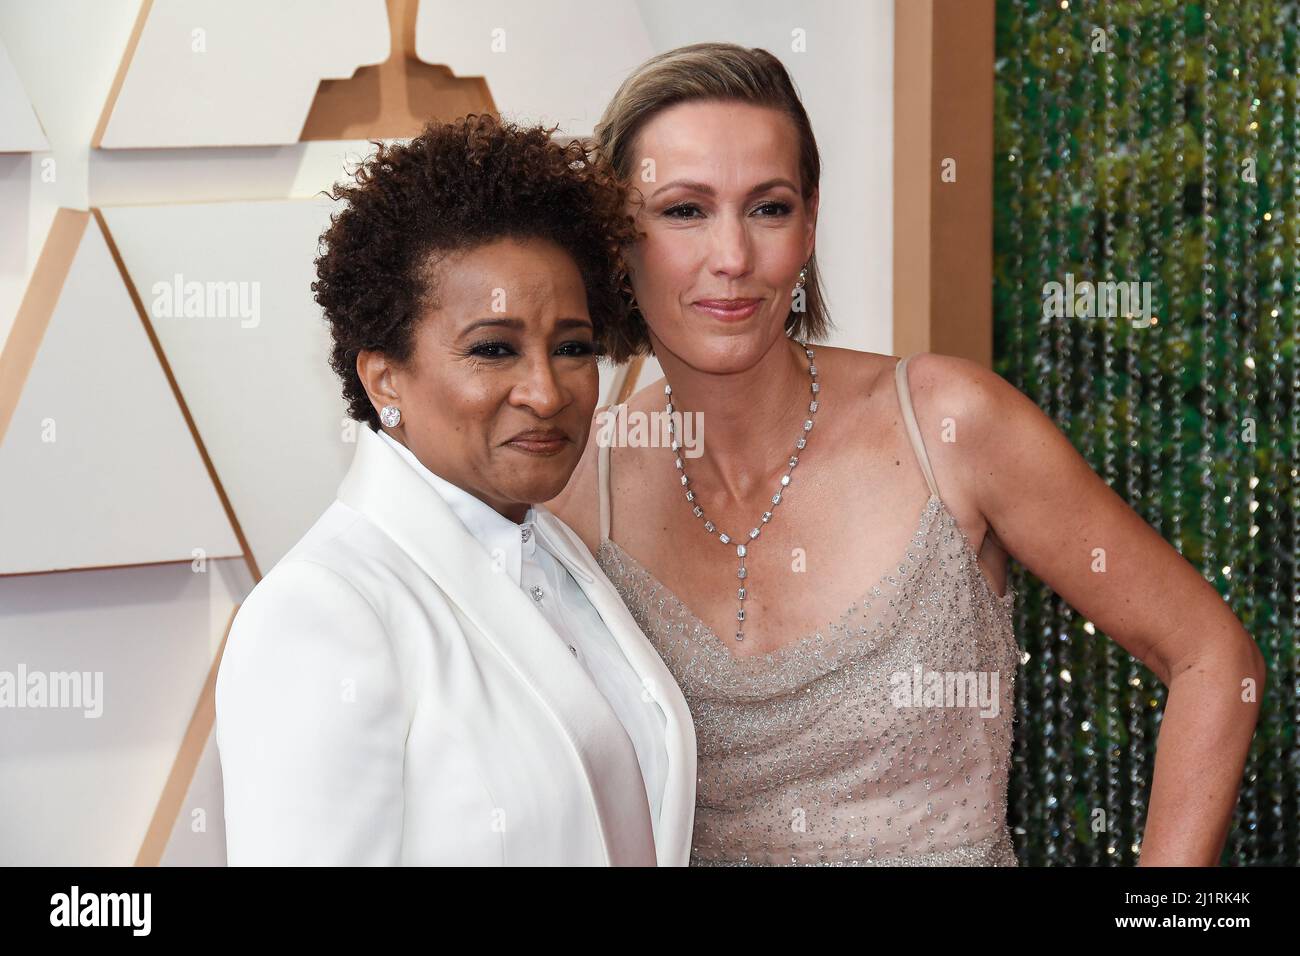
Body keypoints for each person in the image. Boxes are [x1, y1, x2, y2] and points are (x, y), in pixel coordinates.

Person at [547, 43, 1264, 866]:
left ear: (810, 222)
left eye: (769, 208)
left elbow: (1215, 658)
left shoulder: (950, 427)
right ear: (616, 239)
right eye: (684, 211)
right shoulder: (576, 491)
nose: (733, 257)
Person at [215, 114, 696, 866]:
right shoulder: (324, 614)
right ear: (384, 379)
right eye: (493, 350)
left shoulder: (554, 550)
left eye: (572, 347)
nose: (546, 390)